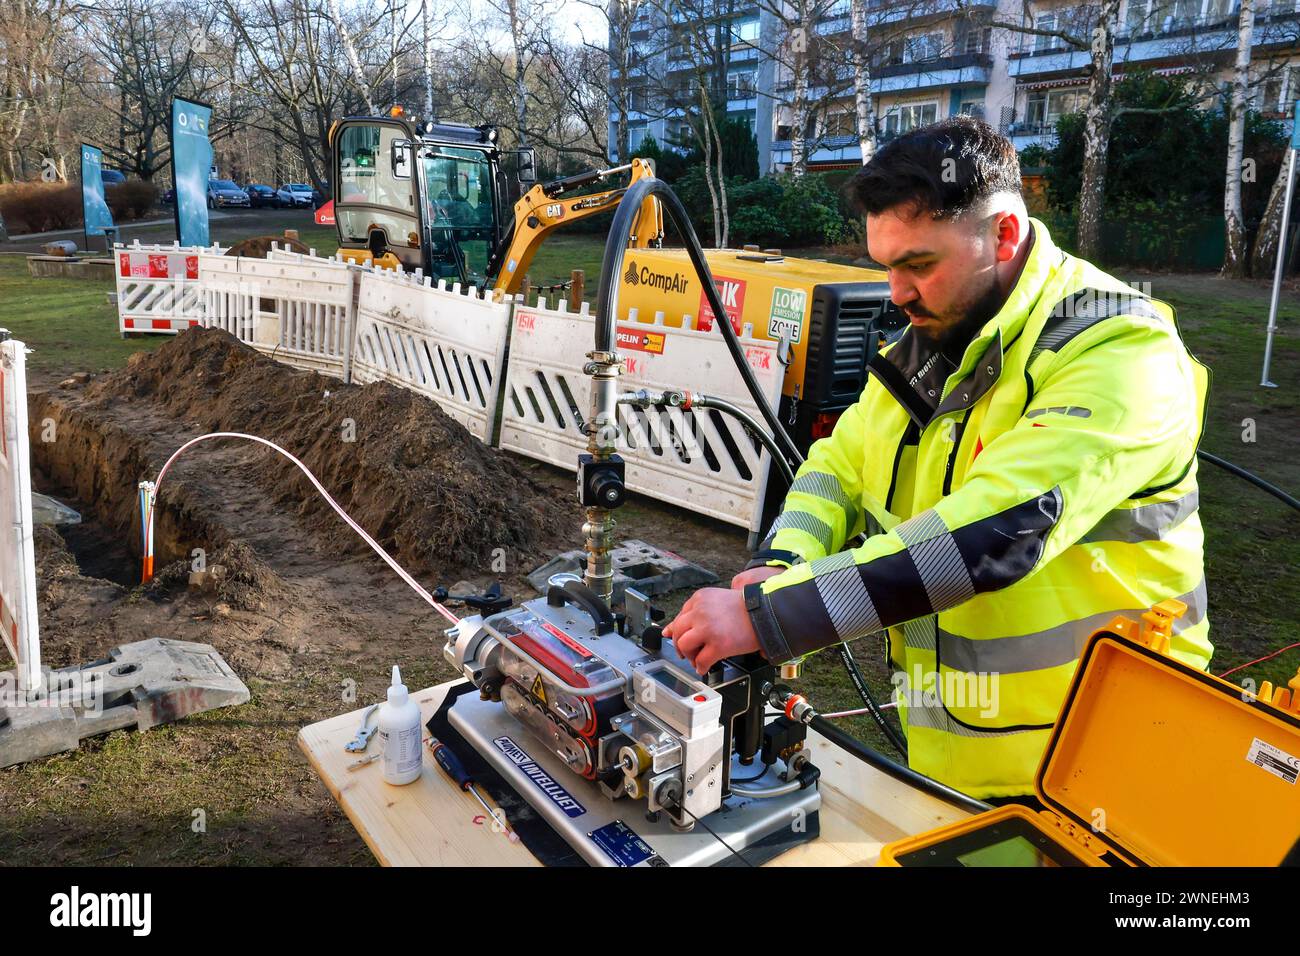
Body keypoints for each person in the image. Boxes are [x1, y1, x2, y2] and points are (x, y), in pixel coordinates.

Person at [662, 116, 1211, 799]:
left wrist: (767, 616)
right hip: (954, 762)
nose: (896, 294)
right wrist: (781, 565)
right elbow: (837, 468)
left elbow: (995, 534)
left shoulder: (1121, 351)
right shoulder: (933, 345)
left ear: (1004, 235)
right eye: (887, 266)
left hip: (1106, 775)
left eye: (919, 264)